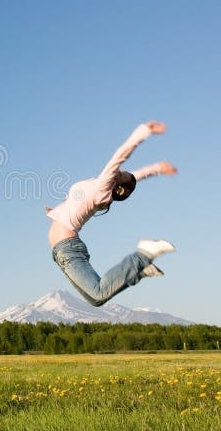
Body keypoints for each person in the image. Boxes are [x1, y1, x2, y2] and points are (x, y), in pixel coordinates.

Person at [46, 121, 178, 307]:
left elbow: (121, 155)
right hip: (64, 249)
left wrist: (144, 131)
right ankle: (138, 271)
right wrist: (156, 169)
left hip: (67, 248)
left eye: (122, 174)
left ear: (117, 186)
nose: (121, 171)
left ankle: (143, 254)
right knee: (95, 299)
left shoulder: (104, 186)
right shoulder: (100, 185)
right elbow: (136, 176)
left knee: (98, 295)